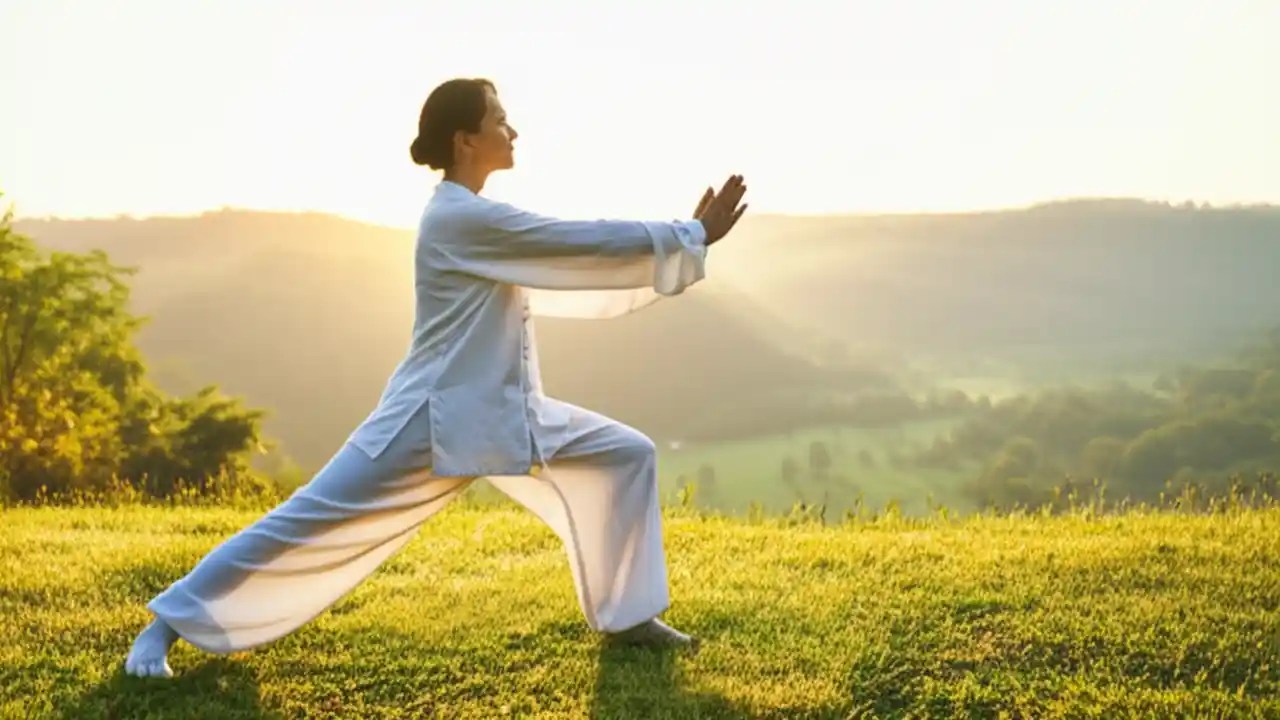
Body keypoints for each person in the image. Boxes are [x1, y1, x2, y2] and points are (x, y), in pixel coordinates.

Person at [124, 77, 748, 678]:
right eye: (499, 120)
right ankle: (165, 623)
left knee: (627, 456)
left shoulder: (473, 216)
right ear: (464, 141)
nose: (513, 129)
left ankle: (628, 618)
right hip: (428, 419)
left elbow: (566, 259)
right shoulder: (458, 218)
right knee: (310, 517)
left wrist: (684, 243)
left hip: (507, 411)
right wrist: (689, 235)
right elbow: (573, 241)